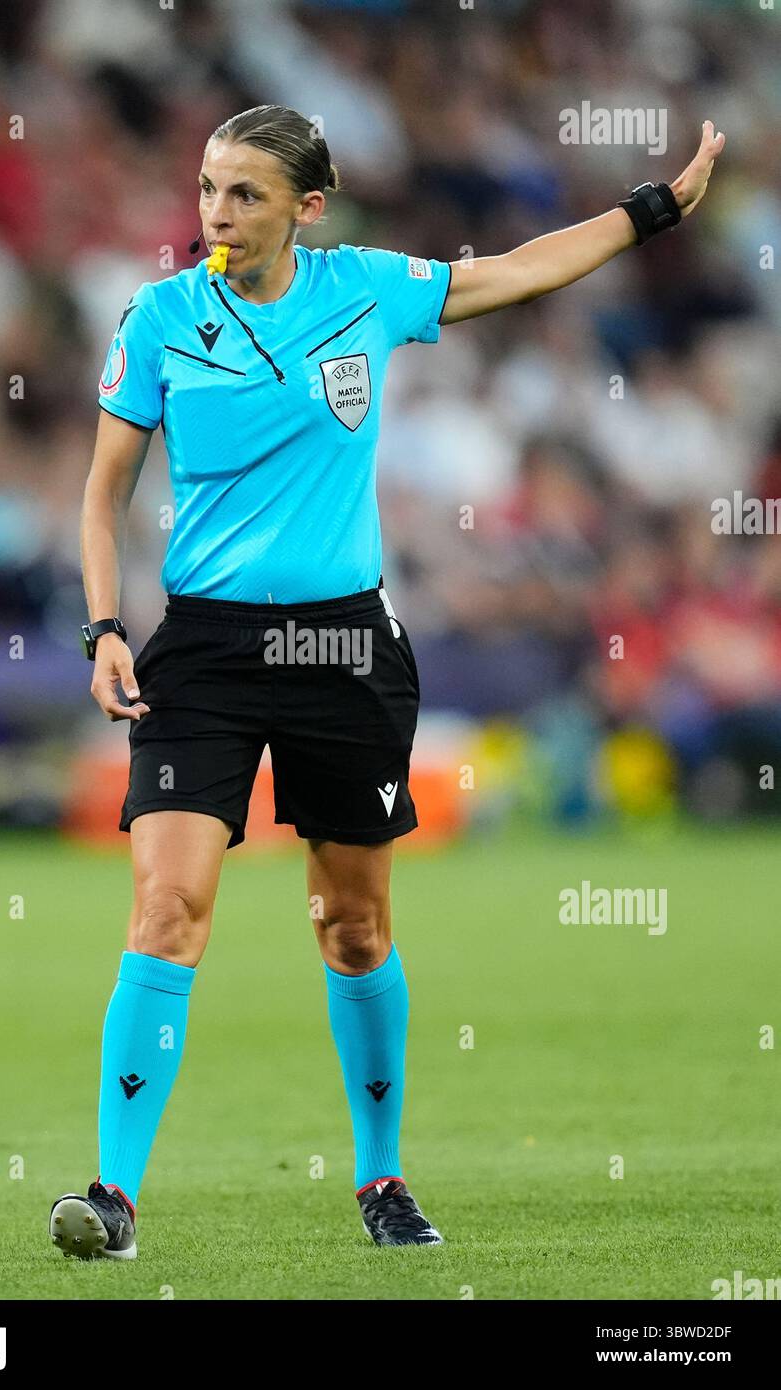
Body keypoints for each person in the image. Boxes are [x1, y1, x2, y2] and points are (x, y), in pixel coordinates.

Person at [49, 104, 724, 1258]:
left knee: (352, 927)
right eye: (208, 188)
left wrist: (651, 208)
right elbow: (103, 489)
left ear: (306, 207)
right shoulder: (158, 318)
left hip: (342, 651)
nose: (216, 212)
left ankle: (380, 1178)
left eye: (245, 193)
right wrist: (104, 626)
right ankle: (112, 1199)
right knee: (165, 908)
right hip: (203, 652)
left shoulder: (364, 287)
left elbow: (513, 270)